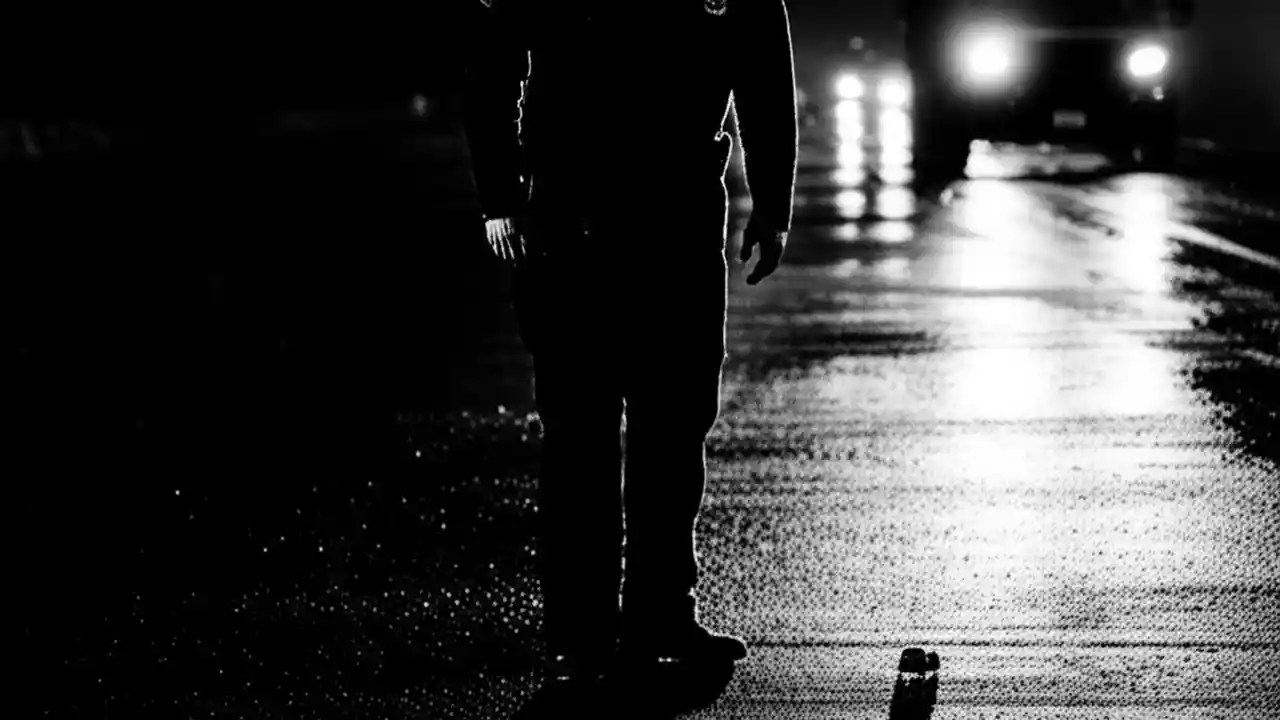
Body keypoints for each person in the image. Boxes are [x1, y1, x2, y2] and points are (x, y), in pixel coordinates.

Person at [462, 0, 797, 713]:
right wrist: (771, 201)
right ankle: (628, 632)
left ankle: (602, 639)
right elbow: (760, 65)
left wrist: (499, 193)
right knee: (627, 429)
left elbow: (762, 61)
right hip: (599, 211)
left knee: (631, 429)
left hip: (622, 208)